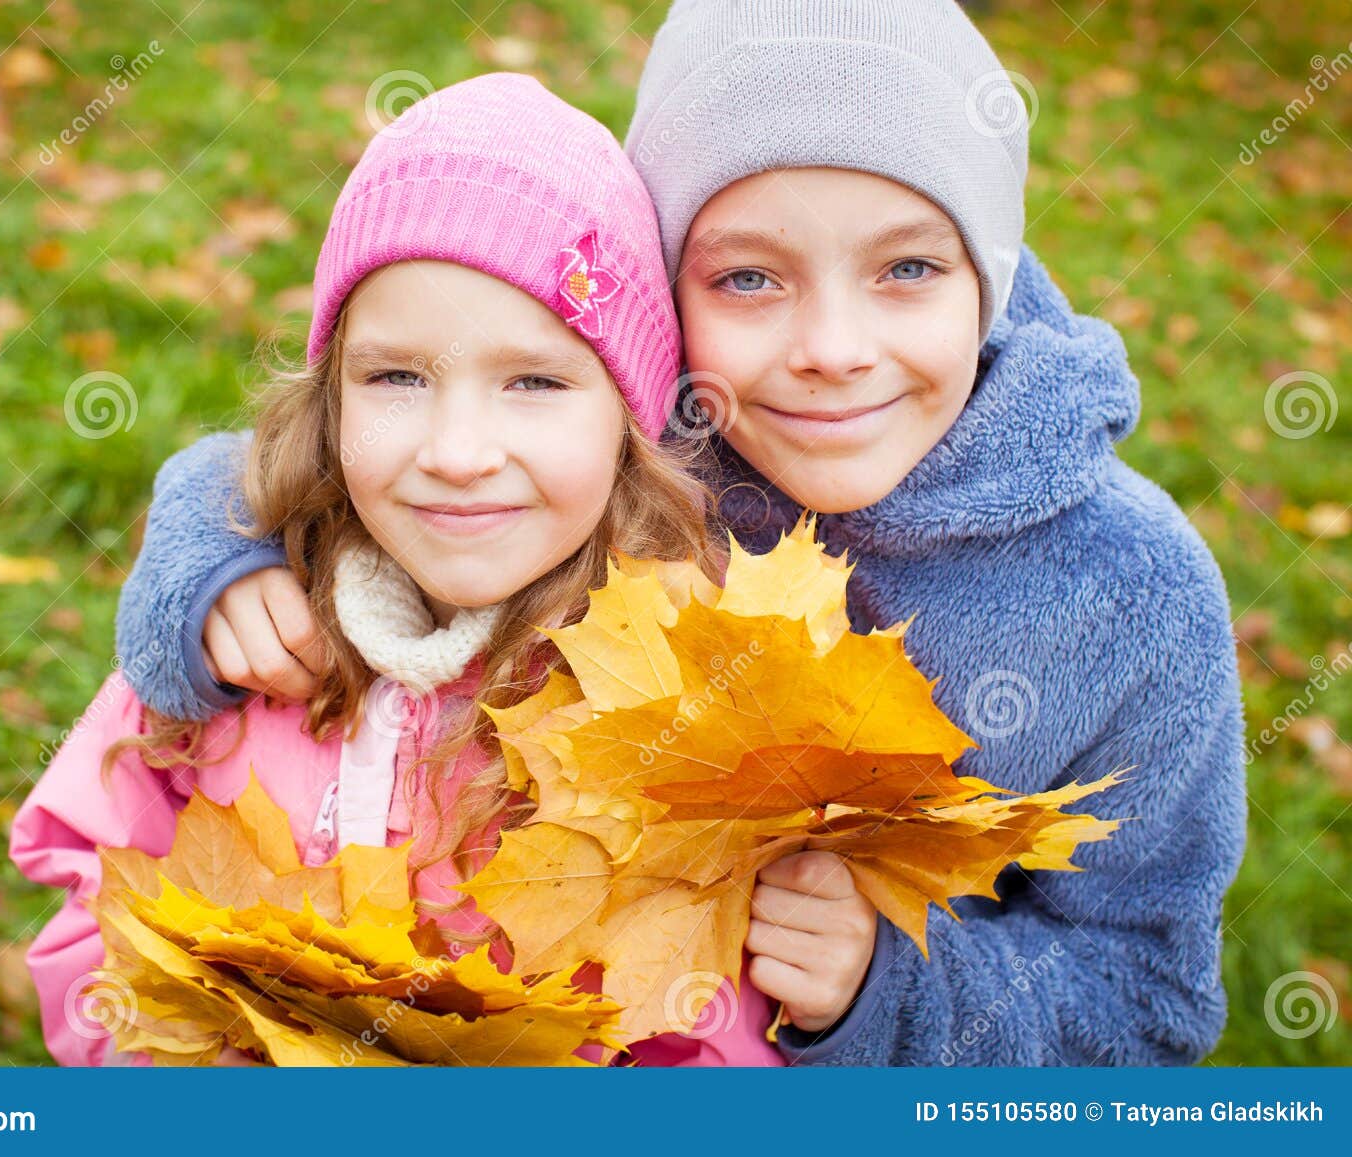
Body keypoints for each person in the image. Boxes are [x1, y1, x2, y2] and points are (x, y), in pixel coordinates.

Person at [111, 0, 1248, 1066]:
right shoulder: (634, 437)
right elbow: (326, 445)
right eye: (749, 276)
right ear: (652, 304)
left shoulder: (1130, 592)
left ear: (985, 275)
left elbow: (1148, 1003)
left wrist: (887, 986)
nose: (832, 347)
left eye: (907, 268)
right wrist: (209, 567)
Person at [8, 71, 804, 1066]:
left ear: (628, 424)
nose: (458, 449)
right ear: (330, 398)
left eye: (534, 381)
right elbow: (94, 893)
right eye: (397, 377)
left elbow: (716, 1034)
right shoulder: (235, 633)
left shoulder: (679, 700)